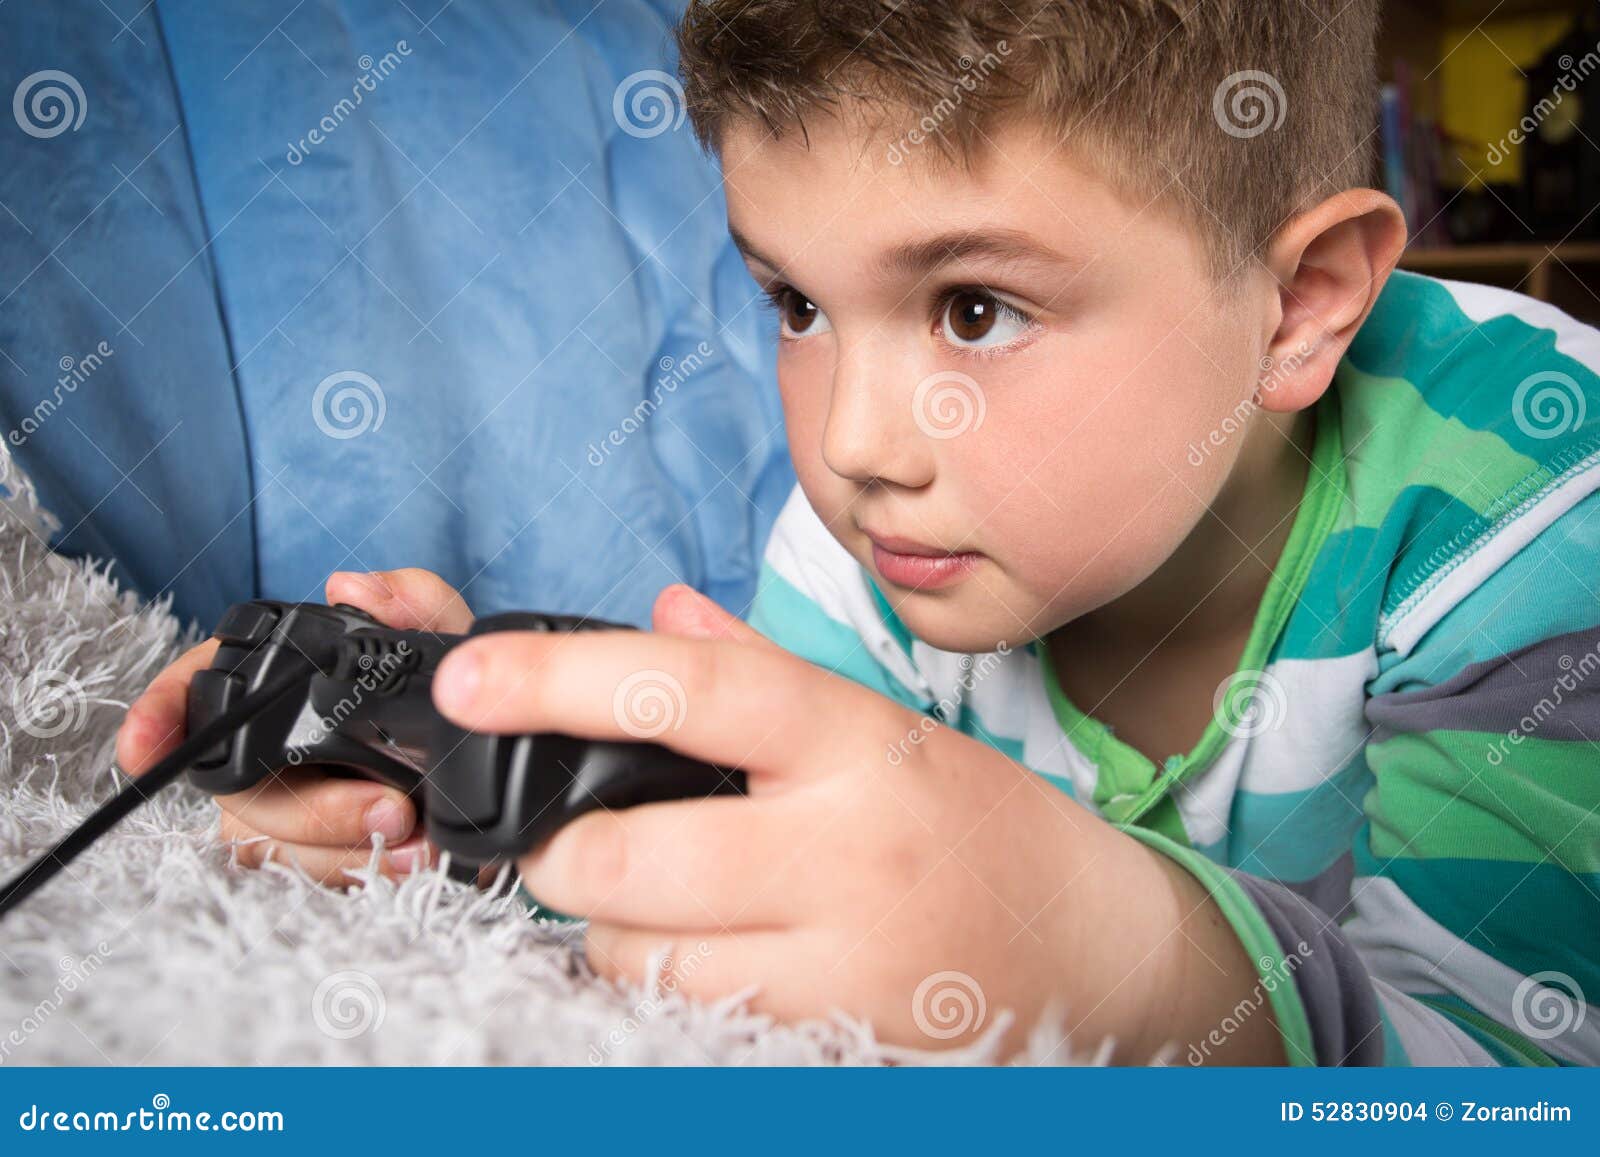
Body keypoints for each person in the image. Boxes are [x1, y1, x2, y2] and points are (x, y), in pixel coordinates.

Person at [118, 0, 1600, 1065]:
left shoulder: (1537, 506)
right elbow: (779, 891)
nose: (851, 446)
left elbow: (1523, 1075)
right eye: (797, 305)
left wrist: (1127, 962)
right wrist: (495, 784)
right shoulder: (885, 550)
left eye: (976, 309)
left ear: (1299, 306)